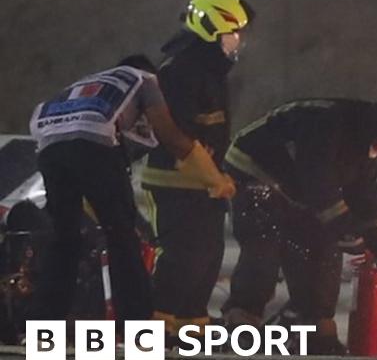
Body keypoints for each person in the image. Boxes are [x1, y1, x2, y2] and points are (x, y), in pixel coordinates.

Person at [28, 56, 234, 325]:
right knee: (122, 237)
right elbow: (171, 136)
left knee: (65, 239)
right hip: (93, 143)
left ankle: (44, 324)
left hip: (49, 148)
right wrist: (215, 179)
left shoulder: (91, 83)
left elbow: (111, 145)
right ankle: (137, 325)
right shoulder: (144, 80)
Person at [221, 99, 377, 354]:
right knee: (264, 241)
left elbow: (366, 195)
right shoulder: (326, 126)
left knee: (323, 246)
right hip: (253, 169)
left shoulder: (363, 145)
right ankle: (242, 320)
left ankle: (314, 322)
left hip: (294, 184)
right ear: (370, 131)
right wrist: (346, 228)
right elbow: (318, 184)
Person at [140, 0, 254, 337]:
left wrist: (216, 177)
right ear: (212, 28)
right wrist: (213, 176)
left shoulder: (208, 70)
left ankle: (191, 329)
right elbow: (177, 137)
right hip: (175, 183)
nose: (237, 41)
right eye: (233, 33)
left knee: (206, 261)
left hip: (204, 184)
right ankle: (155, 330)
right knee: (181, 258)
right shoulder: (180, 70)